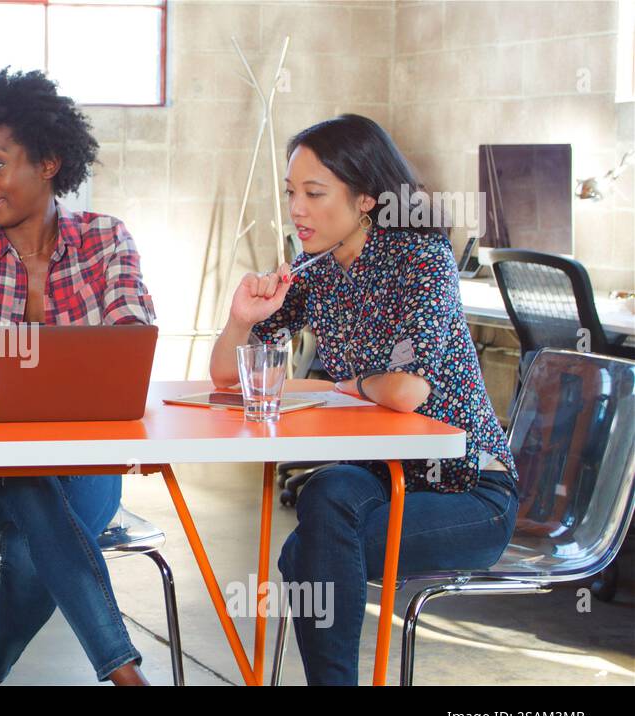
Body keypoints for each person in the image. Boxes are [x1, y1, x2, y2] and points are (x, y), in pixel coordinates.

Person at [209, 114, 519, 685]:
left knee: (306, 558)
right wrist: (239, 320)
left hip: (471, 489)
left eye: (314, 193)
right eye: (291, 193)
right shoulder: (315, 270)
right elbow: (230, 377)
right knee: (326, 490)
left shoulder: (422, 260)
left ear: (366, 200)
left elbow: (407, 391)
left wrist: (337, 385)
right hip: (387, 480)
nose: (296, 209)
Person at [0, 69, 155, 685]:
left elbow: (130, 349)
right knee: (25, 478)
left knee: (33, 520)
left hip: (86, 468)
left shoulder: (106, 240)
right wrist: (43, 374)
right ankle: (126, 675)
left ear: (49, 162)